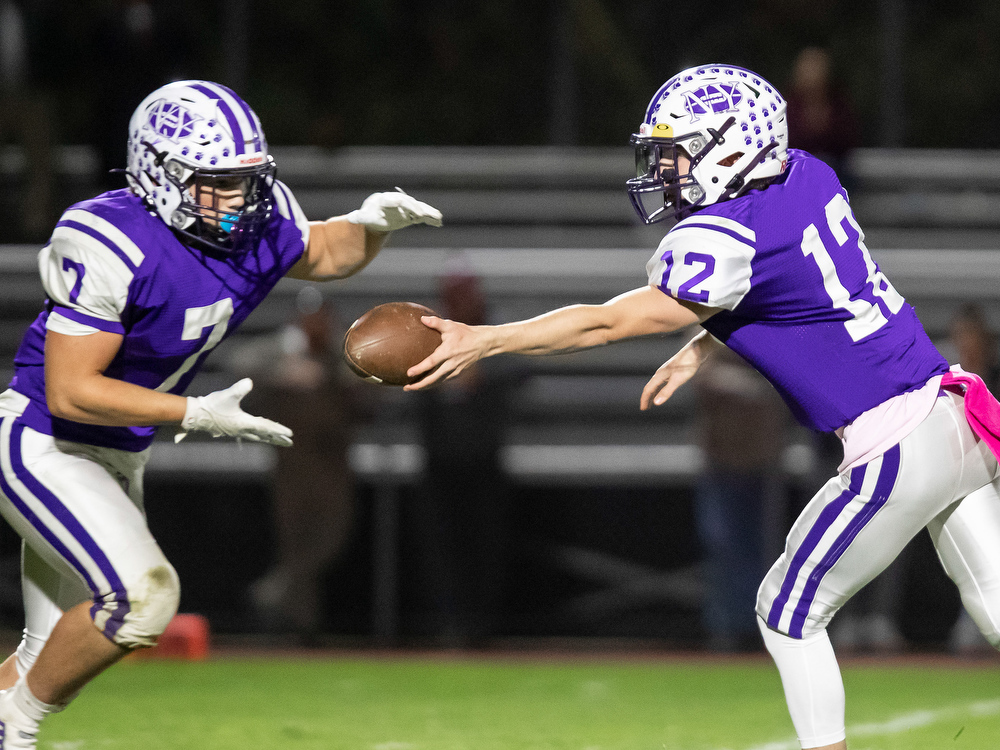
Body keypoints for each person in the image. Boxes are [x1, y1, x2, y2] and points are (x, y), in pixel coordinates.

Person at [405, 64, 1000, 750]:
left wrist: (490, 338)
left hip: (895, 445)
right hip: (955, 418)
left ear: (732, 147)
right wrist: (704, 344)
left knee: (786, 613)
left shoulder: (725, 234)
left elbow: (608, 322)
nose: (664, 166)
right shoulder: (807, 174)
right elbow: (796, 287)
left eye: (678, 149)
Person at [0, 79, 441, 748]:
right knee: (141, 599)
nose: (237, 198)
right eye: (215, 181)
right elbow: (70, 390)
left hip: (116, 452)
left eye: (244, 179)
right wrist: (196, 412)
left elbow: (326, 252)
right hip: (46, 443)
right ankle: (14, 729)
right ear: (158, 171)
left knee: (44, 658)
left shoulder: (256, 224)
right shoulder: (110, 236)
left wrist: (371, 227)